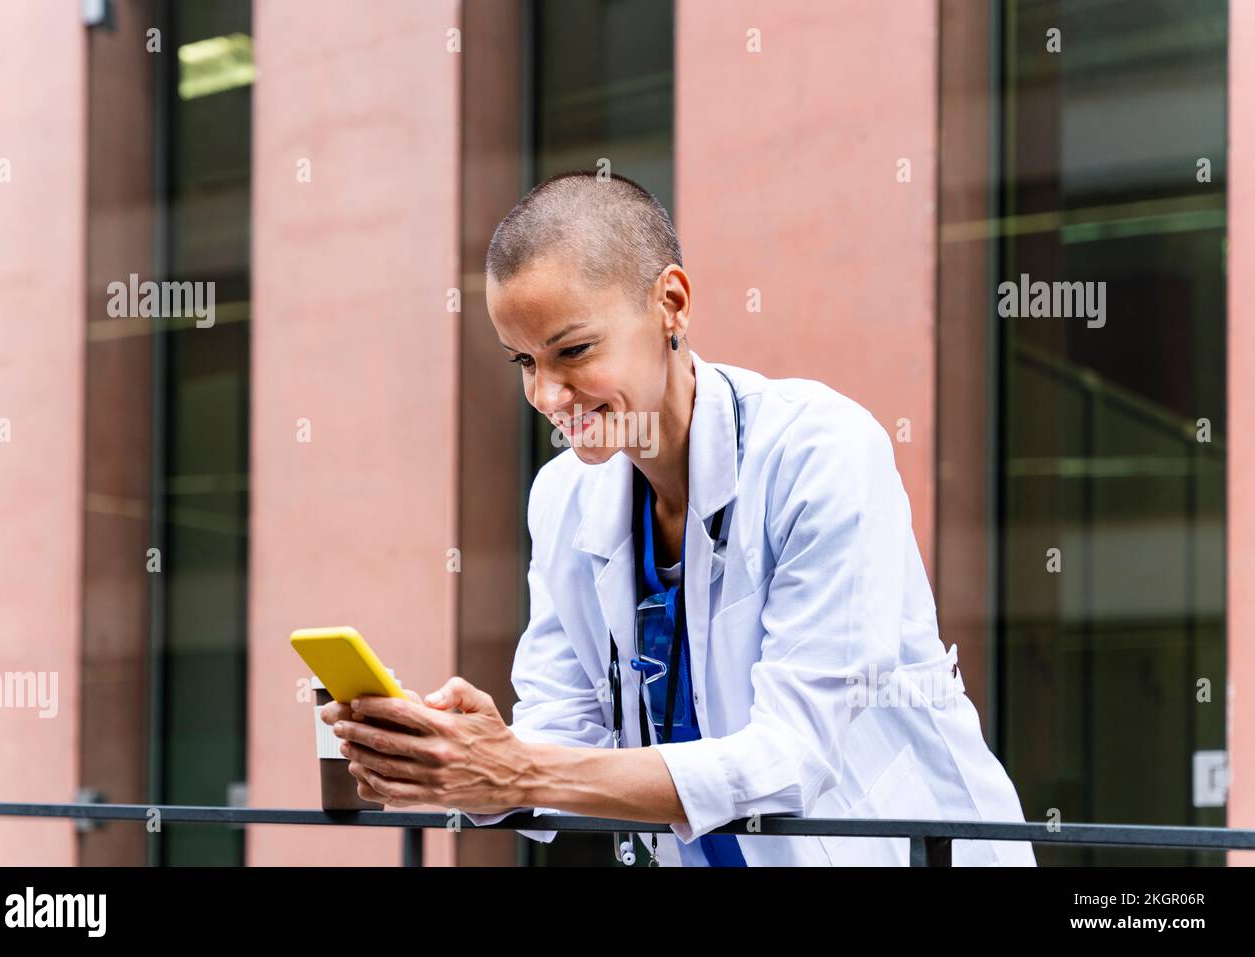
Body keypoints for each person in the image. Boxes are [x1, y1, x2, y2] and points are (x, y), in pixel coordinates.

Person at [326, 171, 1036, 866]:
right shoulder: (562, 497)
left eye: (573, 351)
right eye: (524, 360)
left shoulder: (822, 452)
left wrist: (515, 770)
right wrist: (450, 754)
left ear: (671, 302)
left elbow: (791, 757)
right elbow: (562, 744)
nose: (547, 394)